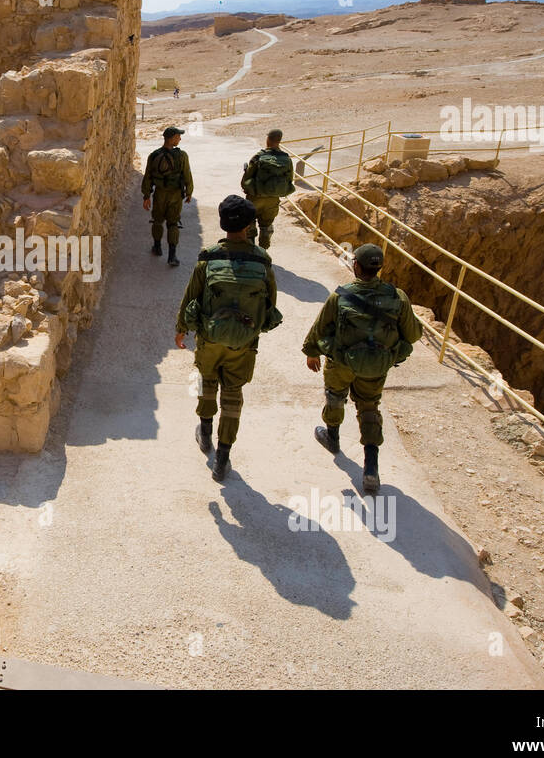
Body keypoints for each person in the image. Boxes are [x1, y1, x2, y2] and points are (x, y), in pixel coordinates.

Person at [176, 195, 283, 482]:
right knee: (233, 396)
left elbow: (191, 297)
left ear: (222, 223)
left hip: (210, 339)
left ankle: (205, 431)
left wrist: (181, 328)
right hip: (244, 345)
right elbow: (270, 305)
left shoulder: (209, 258)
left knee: (208, 383)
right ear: (250, 225)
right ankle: (222, 457)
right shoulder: (262, 261)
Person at [302, 243, 422, 493]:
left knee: (335, 396)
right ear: (379, 267)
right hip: (376, 366)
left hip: (342, 362)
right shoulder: (397, 297)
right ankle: (371, 468)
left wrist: (311, 352)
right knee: (369, 407)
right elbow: (412, 335)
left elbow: (320, 327)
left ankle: (332, 437)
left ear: (356, 265)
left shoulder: (341, 295)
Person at [142, 126, 194, 267]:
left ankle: (157, 247)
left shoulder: (154, 155)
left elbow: (148, 177)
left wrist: (146, 196)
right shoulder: (182, 155)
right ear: (171, 138)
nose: (180, 138)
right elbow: (187, 175)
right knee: (173, 223)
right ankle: (172, 256)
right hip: (175, 195)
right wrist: (189, 192)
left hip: (159, 194)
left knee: (157, 221)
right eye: (178, 136)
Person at [240, 128, 294, 251]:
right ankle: (263, 252)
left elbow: (246, 179)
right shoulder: (286, 159)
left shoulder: (259, 156)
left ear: (268, 139)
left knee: (249, 225)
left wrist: (247, 188)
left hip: (255, 198)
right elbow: (290, 180)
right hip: (273, 201)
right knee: (266, 226)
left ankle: (250, 252)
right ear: (279, 141)